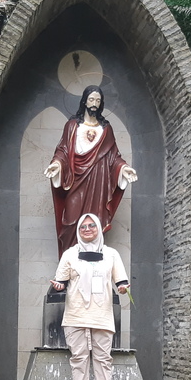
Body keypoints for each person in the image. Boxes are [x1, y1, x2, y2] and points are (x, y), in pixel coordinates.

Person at [50, 213, 129, 380]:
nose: (87, 230)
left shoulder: (111, 254)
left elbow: (121, 282)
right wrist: (59, 285)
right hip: (75, 314)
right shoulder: (69, 254)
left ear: (99, 228)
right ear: (78, 230)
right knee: (79, 357)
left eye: (91, 226)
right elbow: (61, 281)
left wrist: (122, 288)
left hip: (102, 314)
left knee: (103, 359)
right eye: (83, 227)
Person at [44, 85, 138, 256]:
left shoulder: (106, 128)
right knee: (71, 220)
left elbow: (113, 156)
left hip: (98, 181)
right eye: (91, 99)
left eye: (98, 100)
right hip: (75, 180)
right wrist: (57, 164)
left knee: (94, 221)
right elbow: (63, 151)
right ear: (84, 101)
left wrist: (123, 168)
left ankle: (92, 258)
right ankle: (69, 264)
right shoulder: (72, 125)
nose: (94, 103)